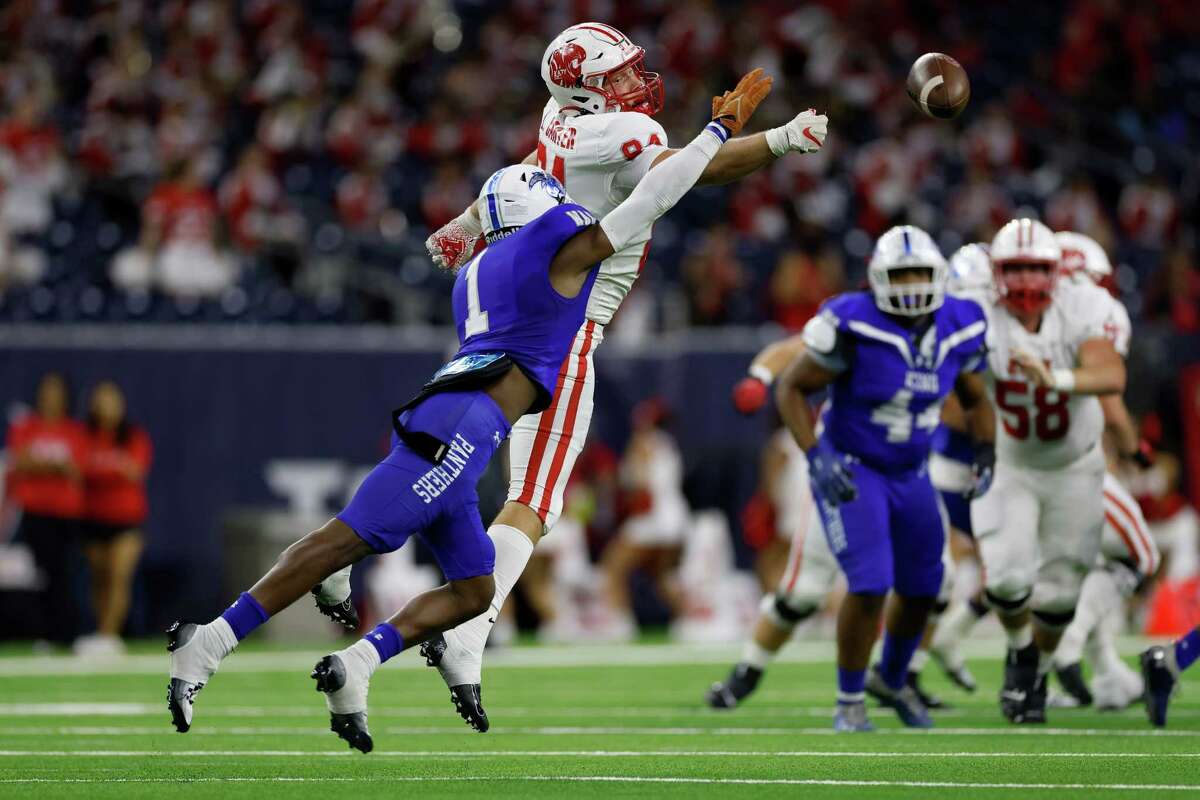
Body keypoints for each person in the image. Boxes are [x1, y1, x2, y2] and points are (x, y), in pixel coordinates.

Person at [166, 69, 771, 750]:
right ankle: (209, 643)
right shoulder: (551, 248)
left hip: (464, 414)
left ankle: (355, 665)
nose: (560, 205)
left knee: (475, 589)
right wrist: (721, 129)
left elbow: (489, 243)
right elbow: (655, 195)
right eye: (546, 198)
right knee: (346, 538)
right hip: (462, 426)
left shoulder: (473, 276)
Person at [314, 21, 829, 732]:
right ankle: (466, 632)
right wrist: (779, 140)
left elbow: (530, 160)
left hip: (500, 317)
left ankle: (350, 562)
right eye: (615, 75)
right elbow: (693, 169)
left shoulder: (561, 117)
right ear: (585, 87)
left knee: (447, 465)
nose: (631, 84)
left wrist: (466, 220)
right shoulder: (622, 135)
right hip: (559, 330)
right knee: (534, 497)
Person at [768, 225, 994, 731]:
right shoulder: (853, 322)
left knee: (925, 586)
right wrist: (816, 456)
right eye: (901, 274)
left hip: (912, 471)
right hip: (855, 465)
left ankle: (890, 679)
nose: (912, 283)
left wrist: (987, 449)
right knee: (869, 583)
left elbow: (976, 397)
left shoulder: (961, 323)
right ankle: (849, 699)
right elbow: (791, 388)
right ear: (877, 279)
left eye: (919, 273)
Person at [971, 218, 1126, 725]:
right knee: (1008, 580)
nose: (1026, 282)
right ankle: (1021, 651)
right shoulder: (978, 311)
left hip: (1075, 467)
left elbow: (1110, 374)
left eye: (1037, 269)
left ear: (1057, 271)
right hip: (1014, 462)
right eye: (1014, 270)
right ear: (995, 272)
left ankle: (1034, 673)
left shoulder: (1083, 305)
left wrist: (1055, 377)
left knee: (1060, 591)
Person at [4, 373, 87, 646]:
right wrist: (54, 467)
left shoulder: (74, 430)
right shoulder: (26, 426)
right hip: (36, 511)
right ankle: (47, 633)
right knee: (43, 574)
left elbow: (77, 470)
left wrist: (44, 465)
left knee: (66, 572)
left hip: (66, 513)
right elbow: (21, 462)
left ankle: (69, 633)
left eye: (56, 390)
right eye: (46, 390)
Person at [75, 381, 152, 656]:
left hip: (126, 520)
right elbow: (76, 470)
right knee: (100, 577)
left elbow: (134, 471)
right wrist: (113, 468)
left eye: (112, 400)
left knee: (120, 575)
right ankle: (100, 631)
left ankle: (109, 635)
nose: (106, 406)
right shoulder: (84, 435)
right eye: (101, 400)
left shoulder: (133, 436)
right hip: (93, 518)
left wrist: (101, 469)